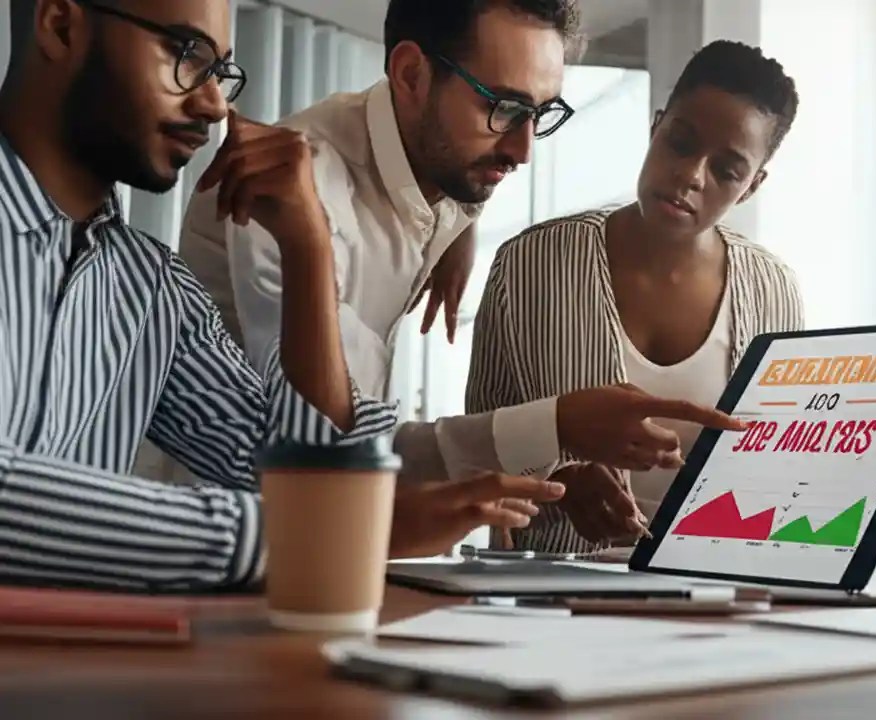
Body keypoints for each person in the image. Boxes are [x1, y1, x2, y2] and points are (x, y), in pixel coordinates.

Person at [0, 0, 563, 592]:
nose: (214, 104)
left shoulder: (150, 291)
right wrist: (326, 531)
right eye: (185, 55)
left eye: (220, 72)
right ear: (60, 25)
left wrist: (309, 247)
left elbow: (301, 472)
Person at [180, 0, 745, 493]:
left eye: (540, 114)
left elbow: (466, 163)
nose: (523, 151)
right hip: (220, 558)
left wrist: (461, 222)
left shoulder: (442, 159)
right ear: (410, 74)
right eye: (504, 107)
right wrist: (557, 426)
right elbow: (337, 448)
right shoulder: (295, 204)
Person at [468, 40, 805, 553]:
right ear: (655, 127)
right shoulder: (529, 265)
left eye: (727, 170)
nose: (692, 175)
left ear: (752, 186)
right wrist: (557, 483)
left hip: (715, 602)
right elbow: (474, 455)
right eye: (681, 142)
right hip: (550, 603)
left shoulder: (775, 293)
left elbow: (785, 471)